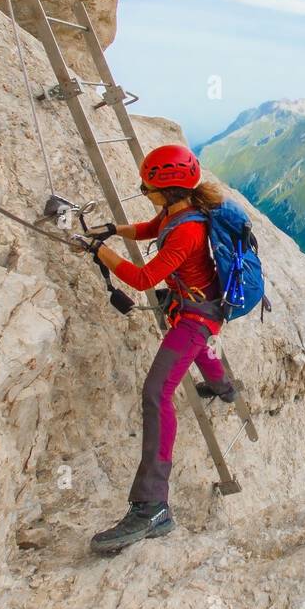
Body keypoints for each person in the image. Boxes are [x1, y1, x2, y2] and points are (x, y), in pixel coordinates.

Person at [84, 145, 236, 554]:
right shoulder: (178, 211)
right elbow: (151, 229)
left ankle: (152, 505)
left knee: (156, 393)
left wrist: (100, 252)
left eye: (146, 186)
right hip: (199, 307)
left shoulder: (187, 229)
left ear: (165, 190)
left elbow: (143, 278)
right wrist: (114, 231)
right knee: (201, 350)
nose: (143, 190)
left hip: (195, 316)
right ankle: (224, 387)